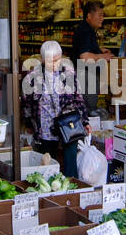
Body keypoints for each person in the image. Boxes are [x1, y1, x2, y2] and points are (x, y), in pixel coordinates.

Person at [20, 40, 88, 179]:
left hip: (68, 124)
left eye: (58, 60)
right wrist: (28, 123)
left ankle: (71, 187)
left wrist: (85, 121)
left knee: (70, 161)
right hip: (45, 126)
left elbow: (79, 99)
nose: (55, 64)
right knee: (48, 161)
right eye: (51, 61)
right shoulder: (32, 78)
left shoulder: (69, 74)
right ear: (43, 60)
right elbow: (26, 104)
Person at [71, 0, 116, 114]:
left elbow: (85, 48)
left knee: (90, 106)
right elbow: (84, 57)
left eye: (103, 15)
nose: (102, 18)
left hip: (88, 75)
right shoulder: (84, 31)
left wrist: (98, 50)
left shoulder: (88, 30)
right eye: (100, 15)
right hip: (85, 76)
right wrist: (102, 56)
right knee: (89, 109)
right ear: (89, 16)